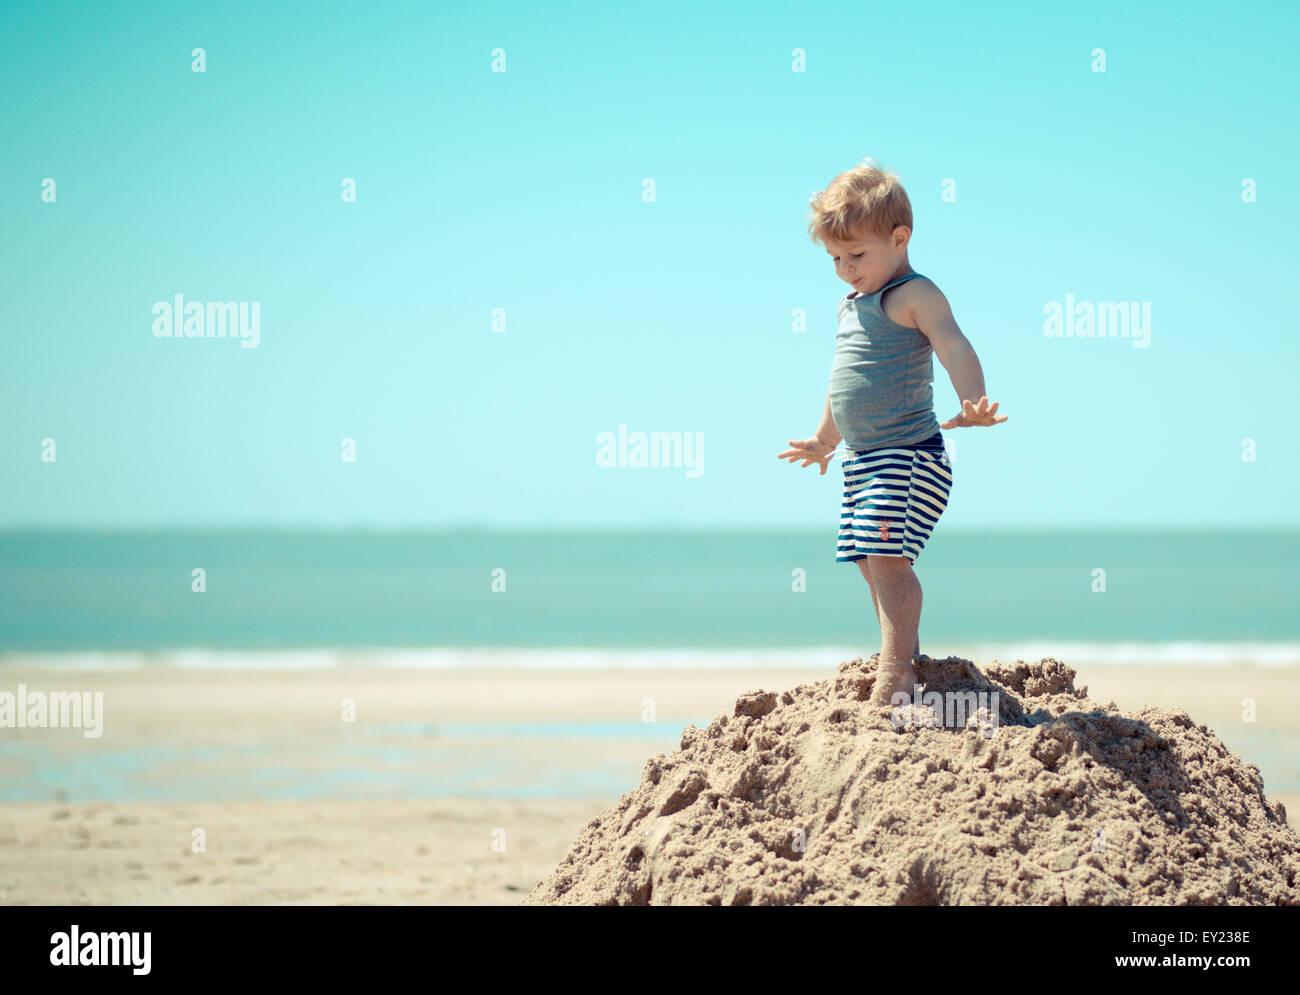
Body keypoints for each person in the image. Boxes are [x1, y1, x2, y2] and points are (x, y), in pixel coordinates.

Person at [778, 158, 1007, 707]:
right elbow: (843, 382)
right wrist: (825, 439)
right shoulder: (849, 305)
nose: (845, 268)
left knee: (886, 557)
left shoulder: (914, 293)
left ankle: (895, 673)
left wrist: (971, 400)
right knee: (867, 558)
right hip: (861, 459)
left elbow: (954, 345)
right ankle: (907, 653)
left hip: (909, 455)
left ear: (899, 238)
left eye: (857, 254)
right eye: (835, 257)